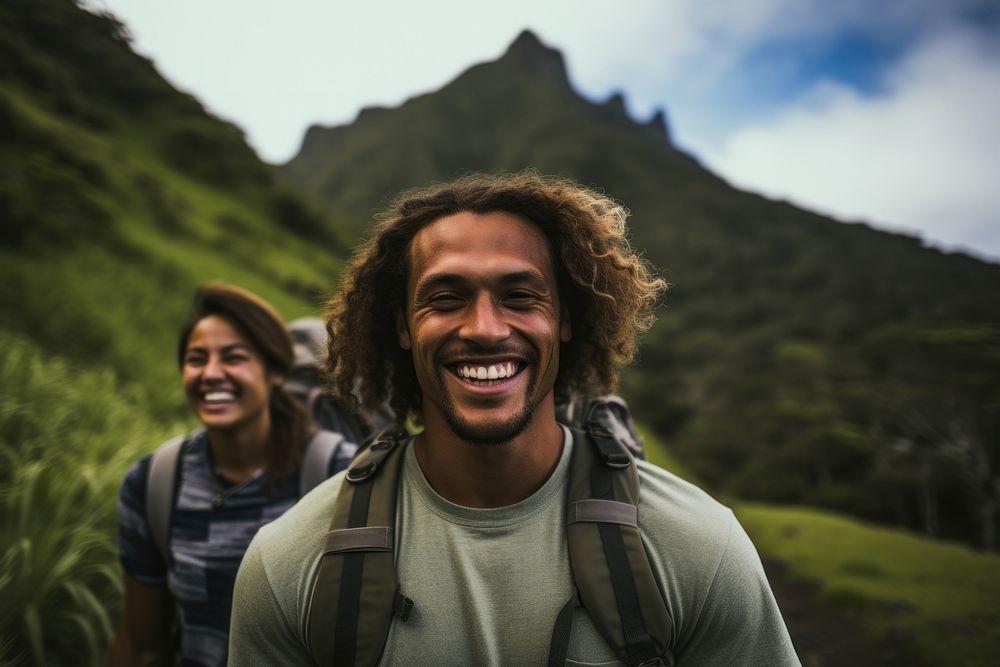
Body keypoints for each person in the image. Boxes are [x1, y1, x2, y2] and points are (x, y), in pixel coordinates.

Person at [229, 172, 800, 665]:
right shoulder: (288, 564)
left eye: (521, 296)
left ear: (567, 319)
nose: (484, 329)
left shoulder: (698, 546)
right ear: (401, 326)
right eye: (445, 298)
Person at [111, 284, 357, 666]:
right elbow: (143, 645)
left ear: (275, 372)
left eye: (233, 357)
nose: (210, 374)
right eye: (196, 359)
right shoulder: (154, 483)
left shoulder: (342, 474)